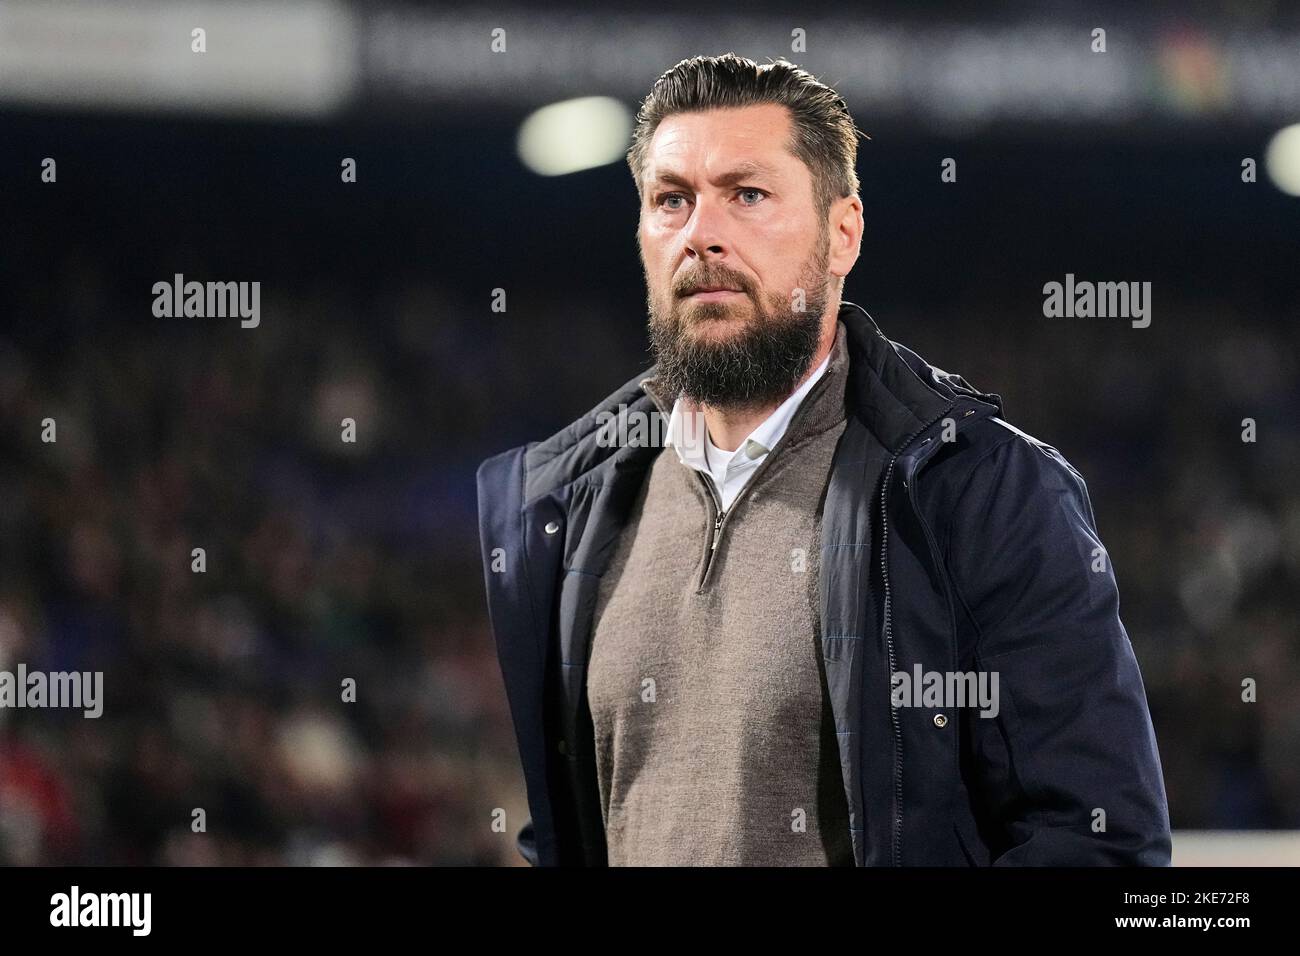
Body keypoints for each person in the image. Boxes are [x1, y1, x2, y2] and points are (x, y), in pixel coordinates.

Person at [476, 53, 1171, 866]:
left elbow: (1100, 842)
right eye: (672, 201)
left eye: (748, 195)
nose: (702, 233)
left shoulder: (976, 491)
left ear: (843, 234)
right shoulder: (572, 505)